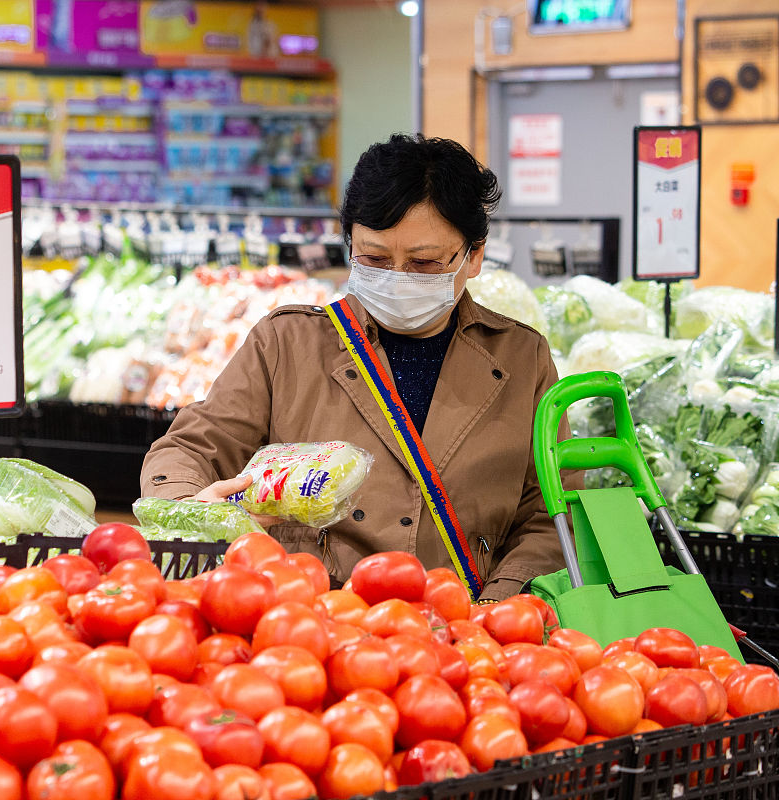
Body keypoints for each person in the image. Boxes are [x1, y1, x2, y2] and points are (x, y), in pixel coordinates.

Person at [139, 133, 581, 602]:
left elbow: (550, 513)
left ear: (474, 256)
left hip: (462, 631)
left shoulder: (521, 358)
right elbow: (190, 447)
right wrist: (189, 508)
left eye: (425, 263)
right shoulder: (286, 343)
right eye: (373, 259)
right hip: (308, 623)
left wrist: (498, 604)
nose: (396, 278)